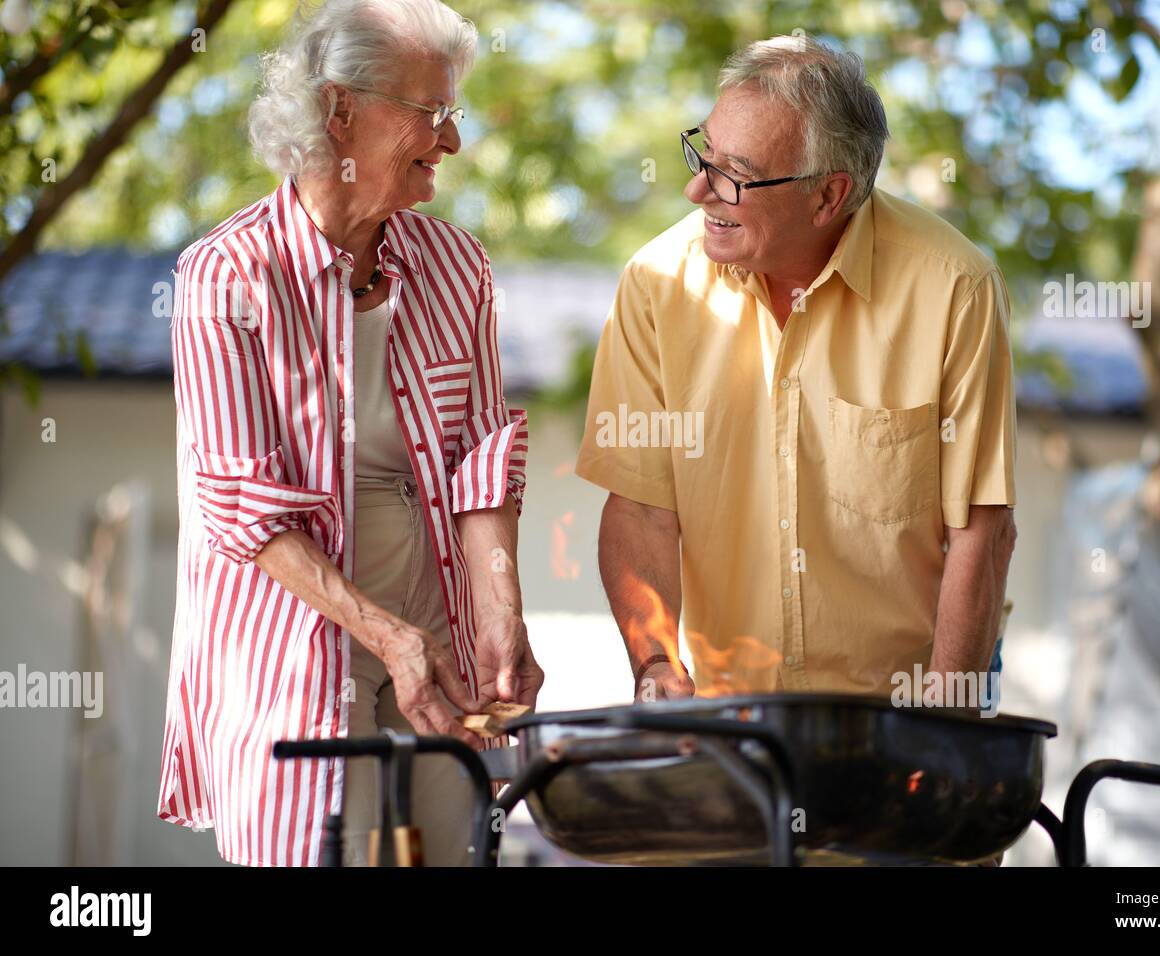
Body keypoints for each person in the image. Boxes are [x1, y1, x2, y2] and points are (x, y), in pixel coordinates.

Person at [158, 0, 541, 867]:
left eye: (454, 115)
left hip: (430, 612)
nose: (449, 141)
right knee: (321, 847)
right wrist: (387, 638)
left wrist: (499, 612)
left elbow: (482, 458)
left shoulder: (457, 264)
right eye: (430, 112)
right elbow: (240, 502)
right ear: (341, 112)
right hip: (294, 630)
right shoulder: (225, 275)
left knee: (447, 851)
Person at [577, 35, 1017, 710]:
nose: (698, 189)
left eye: (735, 173)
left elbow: (981, 531)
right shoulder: (656, 284)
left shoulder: (954, 287)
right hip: (730, 715)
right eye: (704, 153)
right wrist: (657, 666)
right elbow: (640, 508)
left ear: (827, 196)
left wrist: (942, 729)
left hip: (903, 712)